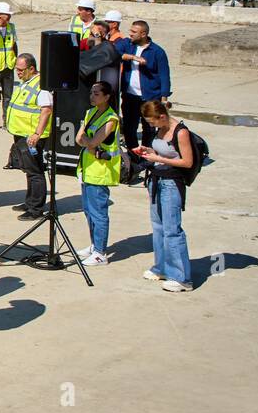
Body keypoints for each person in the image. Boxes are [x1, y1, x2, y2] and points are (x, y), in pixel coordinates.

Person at [136, 100, 194, 292]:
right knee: (158, 227)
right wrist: (149, 152)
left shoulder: (181, 132)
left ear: (162, 116)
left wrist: (157, 158)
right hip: (156, 180)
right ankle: (161, 267)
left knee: (172, 229)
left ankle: (181, 277)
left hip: (171, 184)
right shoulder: (160, 129)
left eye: (153, 122)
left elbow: (187, 162)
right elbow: (163, 152)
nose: (152, 126)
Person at [74, 81, 121, 267]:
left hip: (100, 172)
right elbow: (80, 139)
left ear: (107, 97)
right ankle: (94, 245)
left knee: (99, 213)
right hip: (87, 169)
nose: (92, 97)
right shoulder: (90, 112)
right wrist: (89, 143)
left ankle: (101, 252)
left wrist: (90, 143)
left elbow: (93, 141)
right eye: (91, 93)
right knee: (88, 211)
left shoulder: (111, 119)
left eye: (96, 94)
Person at [120, 20, 171, 182]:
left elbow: (164, 75)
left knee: (149, 129)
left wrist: (164, 98)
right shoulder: (127, 45)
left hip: (149, 98)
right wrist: (132, 57)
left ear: (144, 34)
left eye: (134, 32)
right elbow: (113, 53)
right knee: (129, 128)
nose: (130, 34)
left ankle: (148, 158)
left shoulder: (157, 52)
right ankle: (134, 158)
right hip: (130, 96)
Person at [8, 53, 53, 219]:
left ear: (31, 68)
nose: (18, 73)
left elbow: (46, 110)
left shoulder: (41, 86)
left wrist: (37, 133)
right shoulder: (26, 82)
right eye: (17, 69)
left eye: (21, 70)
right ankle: (30, 201)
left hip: (31, 137)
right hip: (21, 134)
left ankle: (36, 209)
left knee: (35, 172)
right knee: (29, 170)